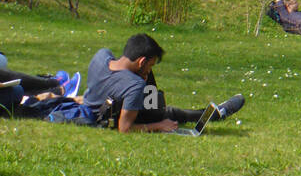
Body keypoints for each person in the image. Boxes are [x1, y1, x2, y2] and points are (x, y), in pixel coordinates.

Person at [82, 34, 243, 133]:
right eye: (150, 64)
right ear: (141, 61)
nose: (149, 70)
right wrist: (159, 125)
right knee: (170, 114)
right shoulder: (134, 85)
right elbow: (124, 128)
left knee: (150, 87)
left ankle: (156, 105)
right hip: (109, 114)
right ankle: (218, 114)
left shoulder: (101, 56)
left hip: (96, 103)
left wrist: (143, 75)